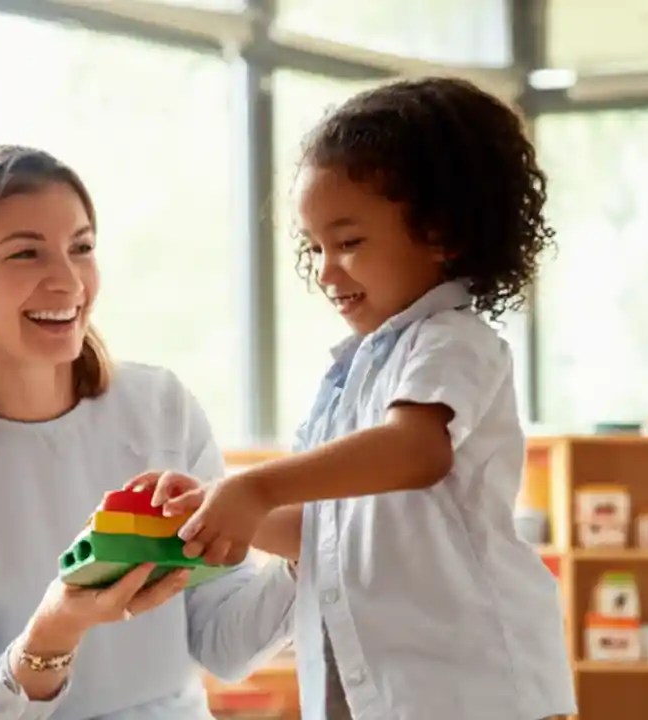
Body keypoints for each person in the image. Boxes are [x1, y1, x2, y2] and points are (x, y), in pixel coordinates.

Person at [130, 78, 577, 719]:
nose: (325, 271)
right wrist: (217, 511)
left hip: (472, 691)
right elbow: (323, 537)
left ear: (441, 232)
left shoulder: (452, 341)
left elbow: (417, 450)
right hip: (368, 692)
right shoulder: (349, 380)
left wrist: (256, 489)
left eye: (348, 243)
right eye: (314, 247)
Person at [0, 139, 297, 719]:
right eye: (25, 254)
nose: (68, 281)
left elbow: (224, 641)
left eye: (81, 247)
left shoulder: (161, 406)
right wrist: (57, 627)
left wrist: (307, 554)